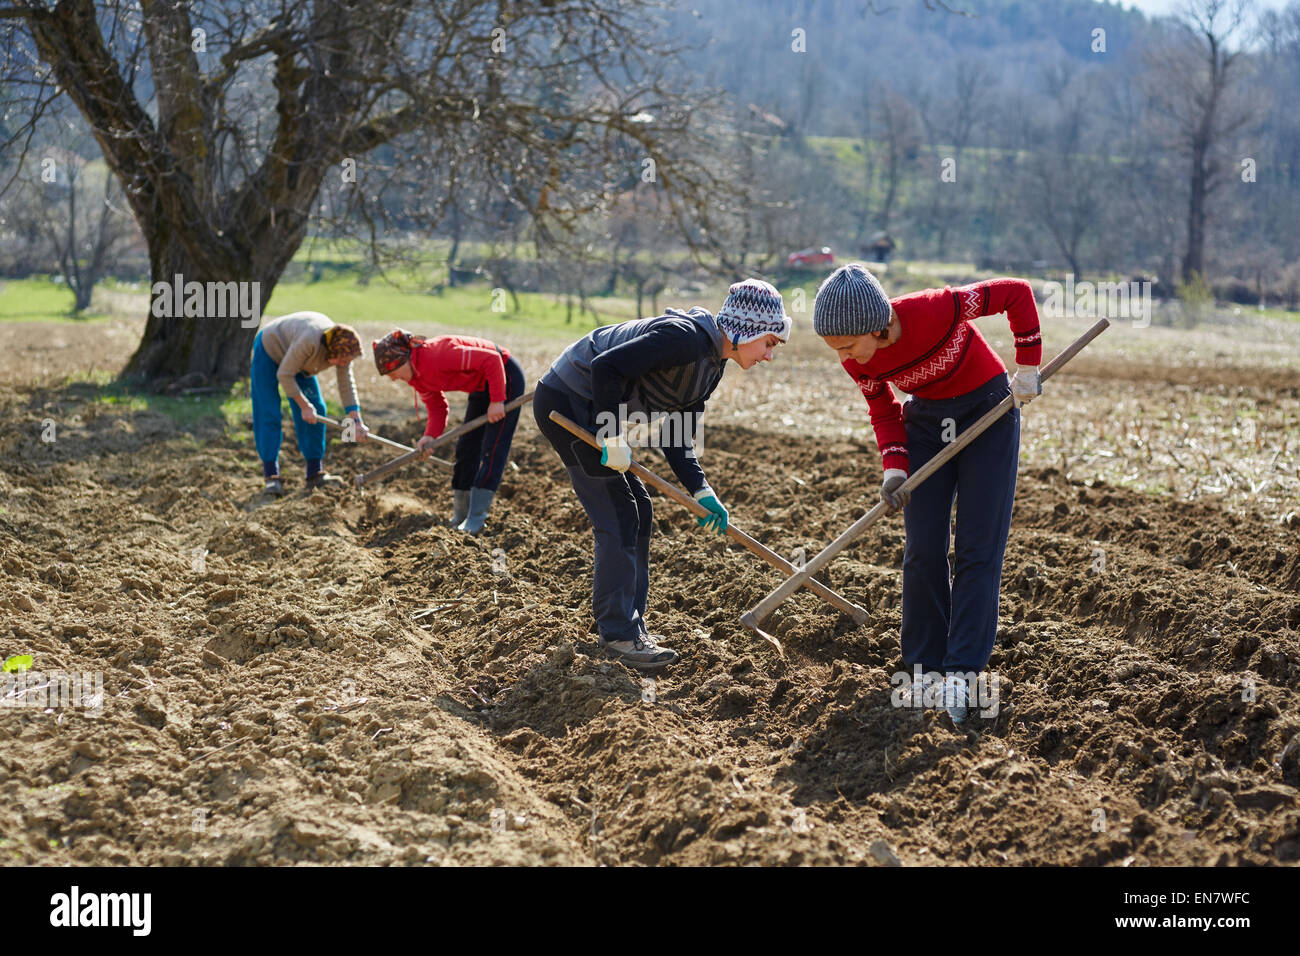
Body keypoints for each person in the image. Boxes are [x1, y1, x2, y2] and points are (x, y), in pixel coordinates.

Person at [813, 263, 1043, 721]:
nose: (847, 357)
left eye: (848, 345)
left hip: (989, 412)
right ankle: (924, 672)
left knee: (978, 548)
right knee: (922, 548)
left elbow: (1015, 294)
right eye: (835, 348)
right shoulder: (856, 357)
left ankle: (962, 674)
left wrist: (1027, 367)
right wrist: (895, 471)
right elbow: (883, 409)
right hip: (925, 425)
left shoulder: (939, 308)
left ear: (876, 327)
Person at [533, 279, 790, 671]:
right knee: (619, 511)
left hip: (592, 410)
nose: (769, 355)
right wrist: (611, 433)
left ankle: (630, 627)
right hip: (568, 402)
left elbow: (677, 437)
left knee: (640, 507)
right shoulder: (684, 340)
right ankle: (618, 634)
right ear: (745, 330)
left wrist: (701, 489)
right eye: (769, 342)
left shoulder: (711, 367)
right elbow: (607, 366)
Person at [373, 330, 526, 534]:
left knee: (493, 447)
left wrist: (498, 400)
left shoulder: (437, 354)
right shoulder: (416, 378)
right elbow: (437, 407)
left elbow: (492, 359)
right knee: (466, 448)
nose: (392, 379)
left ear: (402, 360)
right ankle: (461, 515)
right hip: (481, 387)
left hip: (504, 376)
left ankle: (476, 518)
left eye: (391, 372)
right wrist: (429, 436)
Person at [252, 311, 369, 495]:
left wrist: (356, 420)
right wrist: (304, 406)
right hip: (270, 349)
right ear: (333, 352)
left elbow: (345, 383)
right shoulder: (310, 341)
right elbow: (284, 374)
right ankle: (271, 476)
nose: (344, 364)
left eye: (347, 361)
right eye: (343, 360)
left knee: (318, 411)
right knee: (269, 411)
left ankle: (315, 473)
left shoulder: (342, 350)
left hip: (298, 362)